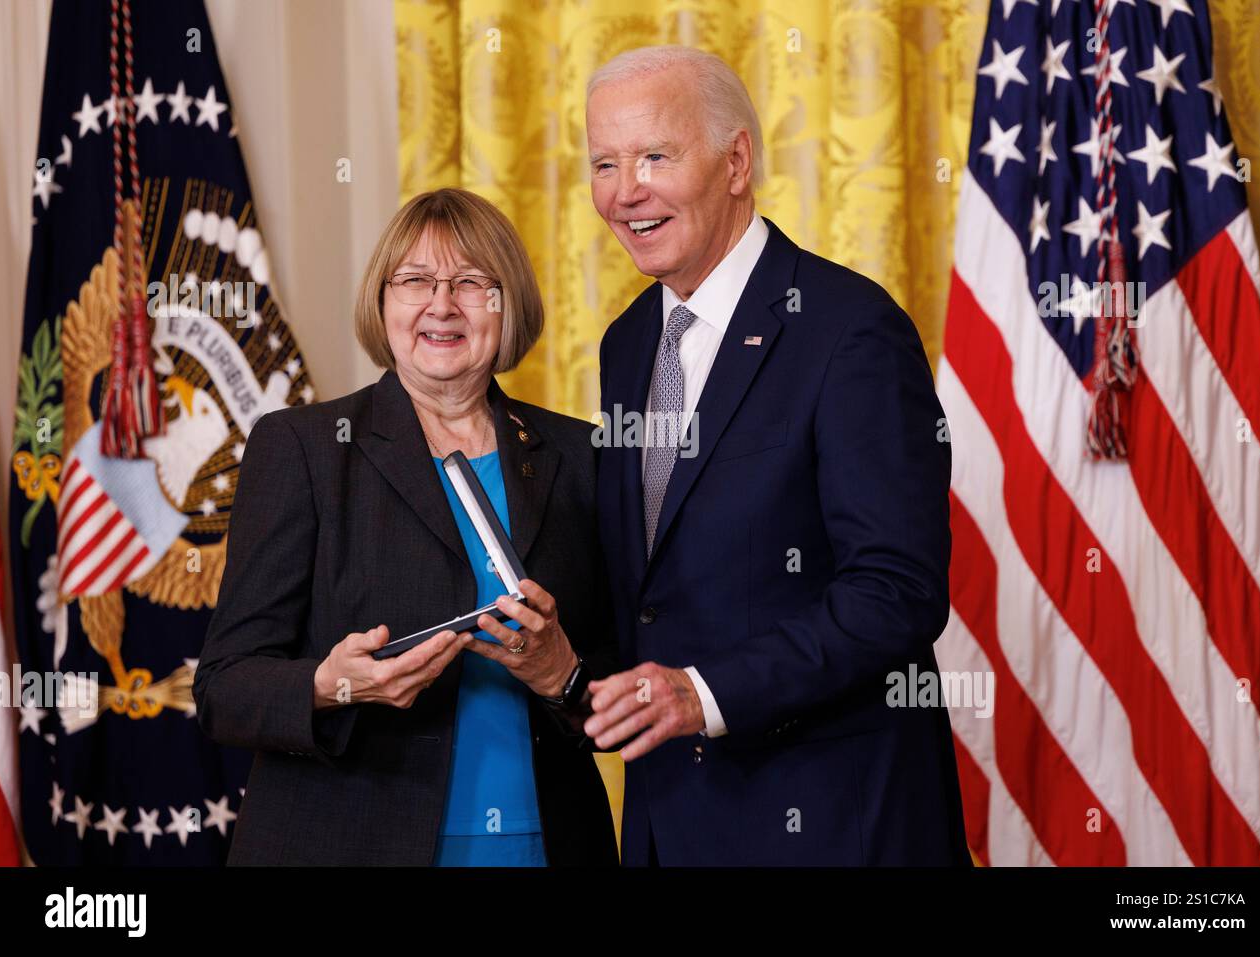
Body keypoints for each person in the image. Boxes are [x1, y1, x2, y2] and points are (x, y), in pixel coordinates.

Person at [583, 45, 971, 865]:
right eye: (604, 164)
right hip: (670, 821)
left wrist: (707, 693)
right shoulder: (627, 343)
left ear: (737, 161)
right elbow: (653, 592)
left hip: (830, 821)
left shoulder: (848, 329)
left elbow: (897, 592)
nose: (626, 192)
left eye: (655, 155)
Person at [194, 188, 618, 866]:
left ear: (508, 305)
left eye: (472, 283)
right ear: (383, 302)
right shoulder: (302, 448)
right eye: (415, 280)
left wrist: (563, 674)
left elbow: (622, 686)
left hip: (546, 845)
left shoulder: (580, 456)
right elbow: (223, 688)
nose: (441, 304)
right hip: (347, 845)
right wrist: (336, 684)